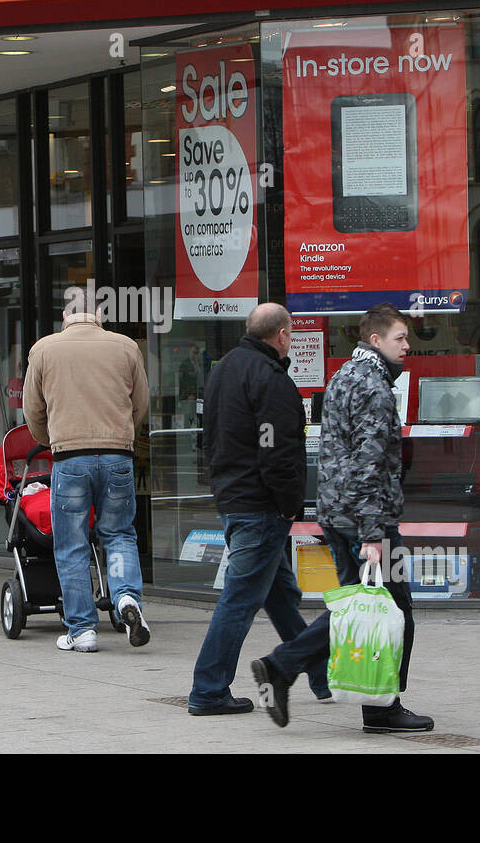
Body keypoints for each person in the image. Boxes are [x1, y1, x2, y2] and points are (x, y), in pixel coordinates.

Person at [251, 303, 434, 733]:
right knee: (394, 611)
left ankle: (294, 673)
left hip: (338, 513)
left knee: (361, 608)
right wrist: (373, 532)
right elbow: (367, 464)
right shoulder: (373, 386)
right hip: (366, 521)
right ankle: (373, 703)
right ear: (376, 341)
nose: (407, 346)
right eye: (399, 338)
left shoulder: (343, 377)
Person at [188, 303, 331, 715]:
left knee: (281, 593)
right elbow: (277, 452)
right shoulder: (272, 380)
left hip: (234, 496)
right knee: (239, 600)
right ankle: (209, 690)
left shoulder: (224, 369)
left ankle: (318, 672)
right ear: (283, 335)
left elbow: (211, 436)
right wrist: (290, 505)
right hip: (261, 504)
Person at [22, 288, 151, 653]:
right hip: (117, 456)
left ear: (65, 318)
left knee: (71, 545)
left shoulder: (44, 349)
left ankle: (82, 629)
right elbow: (139, 403)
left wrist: (52, 439)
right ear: (99, 316)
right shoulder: (125, 347)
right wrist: (122, 435)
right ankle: (127, 599)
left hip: (69, 456)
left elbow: (32, 410)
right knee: (120, 534)